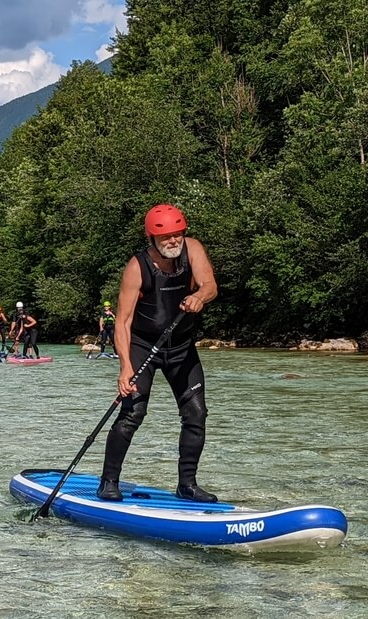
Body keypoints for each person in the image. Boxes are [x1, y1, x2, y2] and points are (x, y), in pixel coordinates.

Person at [96, 204, 219, 504]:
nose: (174, 241)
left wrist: (199, 297)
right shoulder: (137, 267)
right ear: (152, 239)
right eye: (166, 238)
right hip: (143, 346)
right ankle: (108, 482)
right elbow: (123, 323)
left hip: (180, 347)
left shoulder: (193, 250)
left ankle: (187, 485)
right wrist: (125, 368)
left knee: (196, 413)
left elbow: (210, 285)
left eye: (178, 235)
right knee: (133, 413)